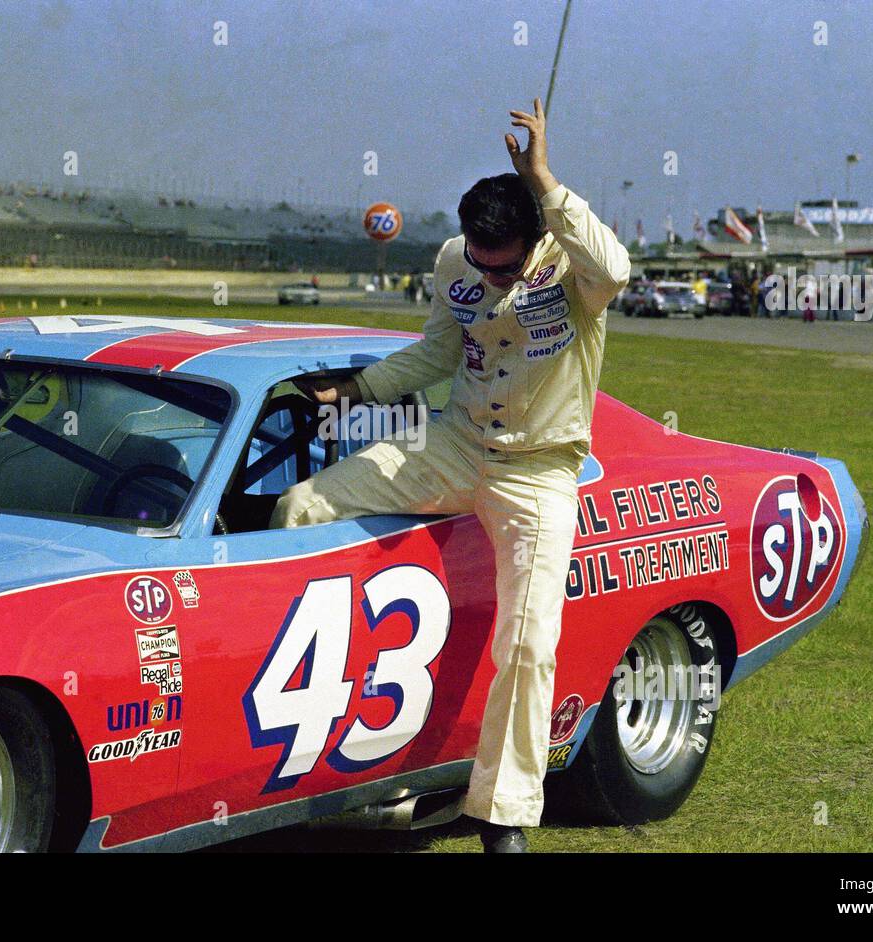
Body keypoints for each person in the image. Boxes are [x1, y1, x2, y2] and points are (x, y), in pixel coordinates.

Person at [270, 97, 631, 853]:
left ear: (533, 240)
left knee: (529, 644)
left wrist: (543, 178)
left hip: (540, 472)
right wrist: (359, 390)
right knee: (302, 506)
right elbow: (437, 353)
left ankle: (501, 812)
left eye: (504, 265)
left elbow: (618, 269)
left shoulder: (576, 271)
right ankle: (287, 749)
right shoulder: (451, 262)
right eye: (479, 258)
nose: (488, 276)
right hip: (457, 445)